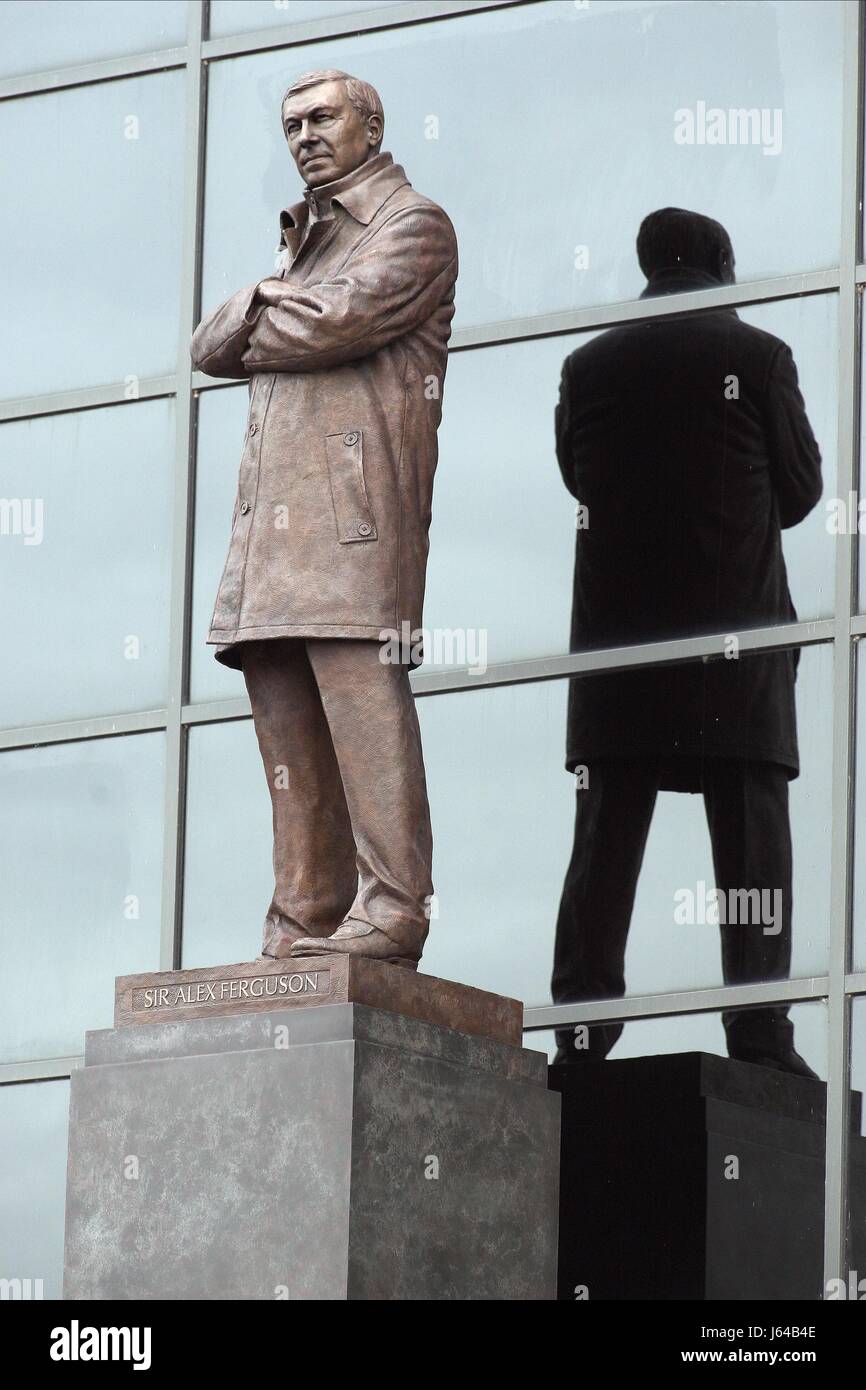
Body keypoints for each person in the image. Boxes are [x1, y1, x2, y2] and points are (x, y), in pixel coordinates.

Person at [191, 69, 458, 970]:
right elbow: (204, 348)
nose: (304, 135)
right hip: (271, 543)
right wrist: (270, 302)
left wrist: (257, 305)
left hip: (352, 532)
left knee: (365, 713)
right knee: (286, 726)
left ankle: (394, 906)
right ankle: (306, 913)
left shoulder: (410, 225)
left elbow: (335, 323)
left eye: (322, 117)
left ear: (371, 124)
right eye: (291, 123)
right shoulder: (304, 246)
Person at [551, 207, 822, 1076]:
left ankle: (583, 1033)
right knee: (749, 842)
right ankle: (758, 1032)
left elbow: (577, 479)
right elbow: (804, 486)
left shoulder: (586, 366)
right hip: (732, 649)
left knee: (606, 842)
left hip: (620, 654)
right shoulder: (757, 356)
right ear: (723, 261)